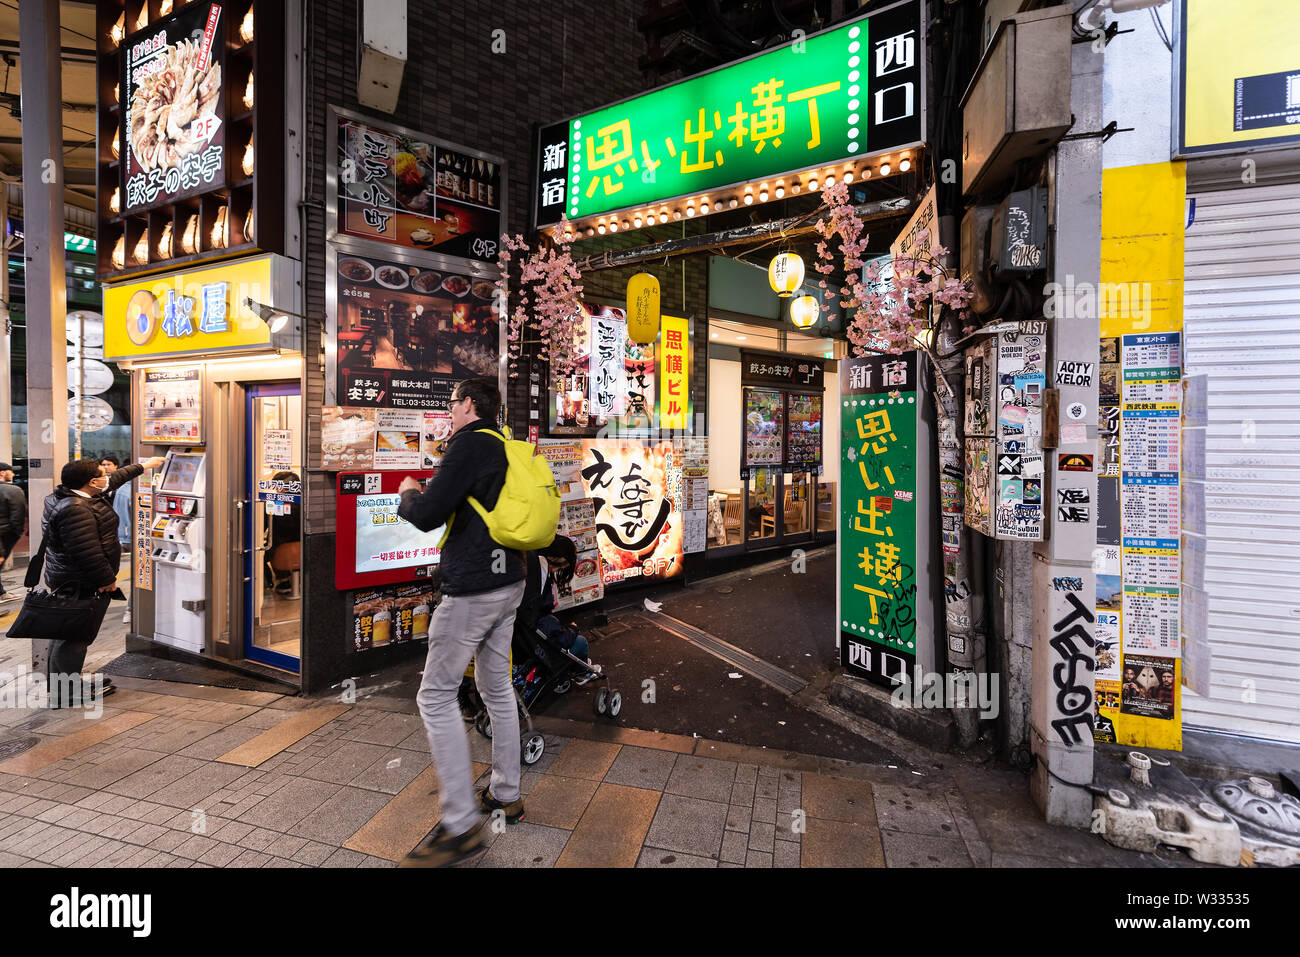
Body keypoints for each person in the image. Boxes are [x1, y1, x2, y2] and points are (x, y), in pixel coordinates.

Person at [396, 377, 528, 867]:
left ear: (468, 404)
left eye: (452, 404)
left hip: (472, 588)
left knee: (434, 694)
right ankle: (506, 794)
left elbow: (429, 514)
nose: (449, 412)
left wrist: (409, 491)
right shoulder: (504, 444)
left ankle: (459, 826)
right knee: (496, 688)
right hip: (509, 581)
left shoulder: (467, 444)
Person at [41, 456, 164, 706]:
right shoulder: (76, 509)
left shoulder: (70, 495)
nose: (107, 476)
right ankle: (68, 693)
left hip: (68, 579)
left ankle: (64, 685)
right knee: (75, 638)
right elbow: (87, 552)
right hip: (80, 582)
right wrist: (107, 580)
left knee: (65, 635)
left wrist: (145, 466)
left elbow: (114, 479)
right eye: (102, 474)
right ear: (91, 481)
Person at [0, 463, 27, 602]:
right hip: (6, 533)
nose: (14, 474)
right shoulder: (13, 490)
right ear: (2, 473)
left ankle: (1, 593)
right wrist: (16, 533)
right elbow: (18, 515)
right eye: (11, 472)